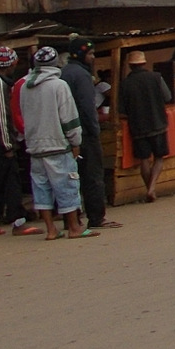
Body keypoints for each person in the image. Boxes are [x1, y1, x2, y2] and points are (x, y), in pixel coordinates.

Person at [19, 45, 91, 240]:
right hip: (58, 145)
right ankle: (74, 227)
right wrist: (75, 141)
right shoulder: (58, 85)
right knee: (67, 186)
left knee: (41, 189)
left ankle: (51, 229)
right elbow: (69, 117)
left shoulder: (25, 87)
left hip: (35, 147)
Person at [62, 40, 121, 231]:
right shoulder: (82, 75)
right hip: (85, 134)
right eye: (90, 54)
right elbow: (88, 107)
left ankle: (72, 218)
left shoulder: (64, 73)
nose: (93, 57)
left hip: (66, 134)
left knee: (71, 177)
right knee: (93, 176)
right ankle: (96, 217)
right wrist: (95, 131)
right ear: (80, 55)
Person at [0, 47, 34, 235]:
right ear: (10, 64)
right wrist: (8, 145)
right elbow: (0, 118)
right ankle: (18, 221)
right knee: (11, 182)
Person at [117, 51, 172, 201]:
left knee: (144, 160)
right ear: (144, 63)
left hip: (138, 127)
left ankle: (149, 188)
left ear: (130, 65)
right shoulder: (156, 77)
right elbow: (168, 97)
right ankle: (152, 188)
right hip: (158, 123)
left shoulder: (125, 84)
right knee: (159, 157)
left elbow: (121, 110)